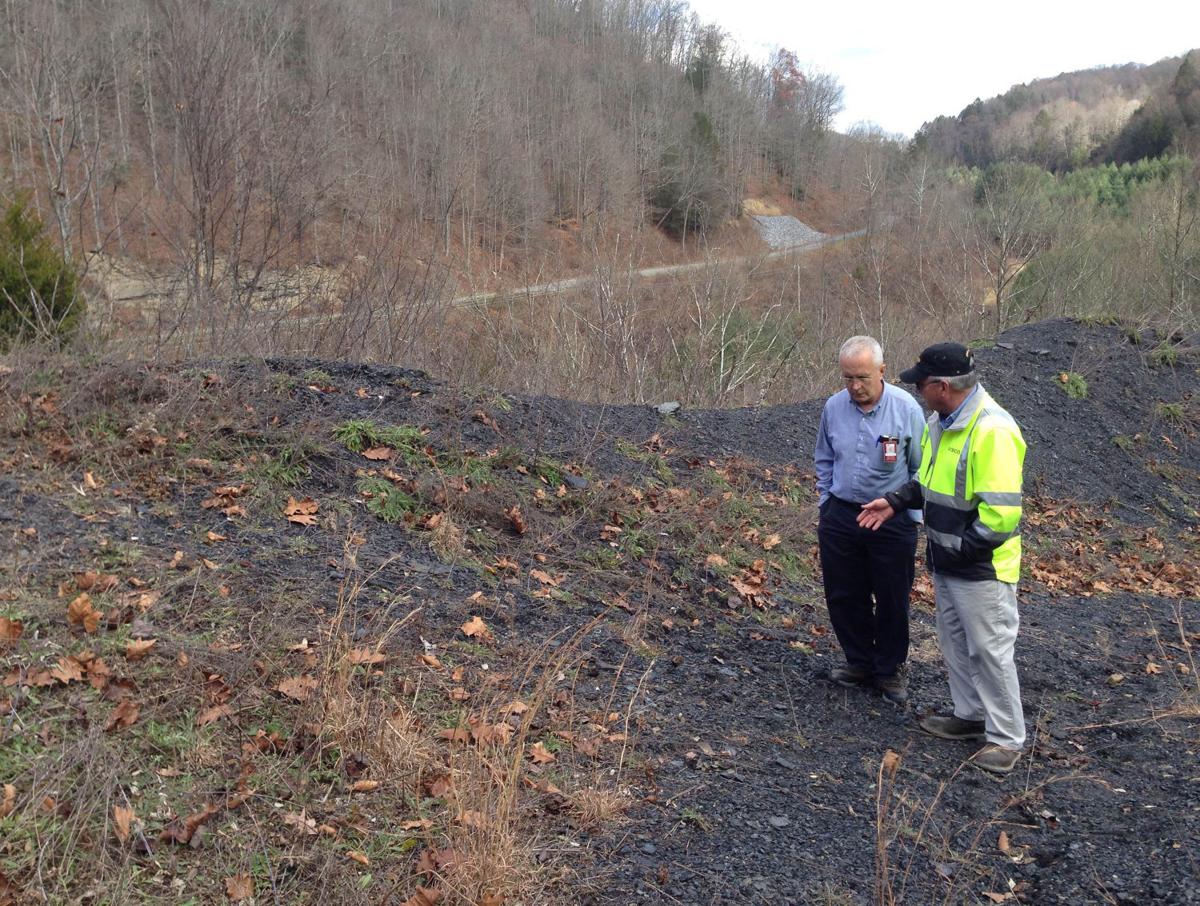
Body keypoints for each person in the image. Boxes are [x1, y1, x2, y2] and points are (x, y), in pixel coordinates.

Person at [857, 342, 1027, 775]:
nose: (917, 390)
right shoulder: (941, 421)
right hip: (948, 562)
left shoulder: (993, 430)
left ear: (943, 386)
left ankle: (1006, 739)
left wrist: (962, 553)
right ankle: (969, 717)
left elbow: (1002, 515)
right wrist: (894, 502)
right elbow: (927, 480)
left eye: (922, 383)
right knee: (956, 645)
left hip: (981, 568)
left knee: (990, 651)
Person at [815, 336, 926, 705]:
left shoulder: (906, 409)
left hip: (891, 517)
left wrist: (906, 512)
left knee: (892, 596)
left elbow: (920, 467)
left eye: (862, 377)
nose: (854, 386)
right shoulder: (833, 408)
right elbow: (824, 458)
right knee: (844, 593)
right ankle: (858, 660)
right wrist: (826, 501)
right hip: (842, 514)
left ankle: (888, 668)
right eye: (847, 378)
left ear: (882, 371)